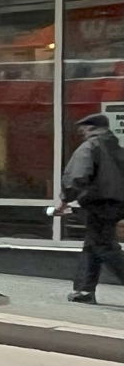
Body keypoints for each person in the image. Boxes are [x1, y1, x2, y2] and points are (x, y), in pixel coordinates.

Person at [57, 112, 124, 303]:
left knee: (104, 246)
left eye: (83, 129)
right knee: (92, 245)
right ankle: (84, 291)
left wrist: (65, 200)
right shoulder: (117, 148)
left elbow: (77, 176)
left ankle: (84, 291)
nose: (81, 132)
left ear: (91, 128)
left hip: (99, 203)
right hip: (117, 204)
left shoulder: (90, 146)